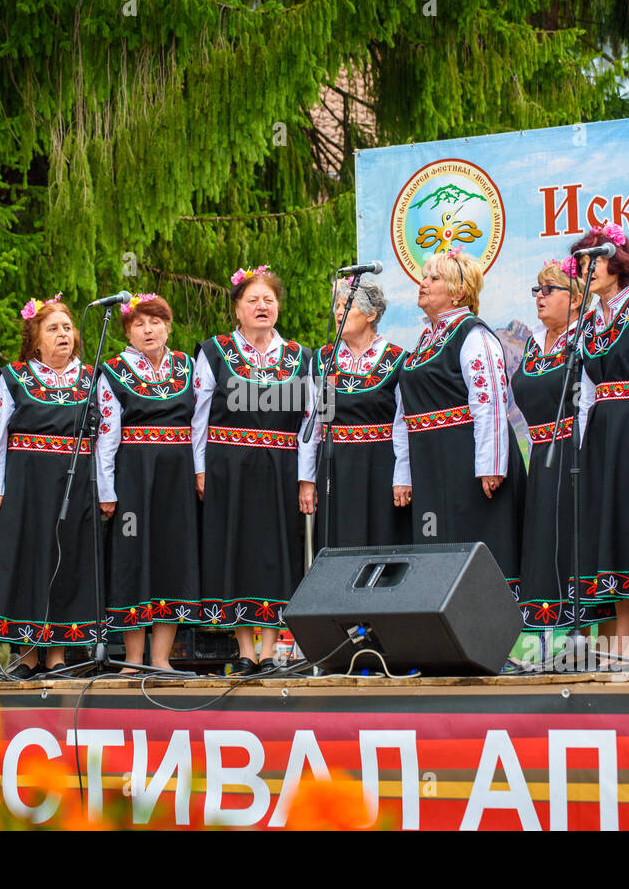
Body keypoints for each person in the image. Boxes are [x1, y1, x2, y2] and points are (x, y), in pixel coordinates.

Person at [193, 266, 317, 675]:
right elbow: (198, 417)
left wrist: (306, 476)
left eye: (269, 300)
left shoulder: (302, 357)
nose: (262, 307)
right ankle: (244, 649)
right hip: (227, 468)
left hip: (280, 468)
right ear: (237, 310)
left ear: (278, 307)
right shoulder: (213, 351)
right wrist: (200, 469)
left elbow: (313, 420)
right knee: (236, 550)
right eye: (253, 301)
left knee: (274, 553)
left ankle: (269, 651)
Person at [0, 296, 98, 678]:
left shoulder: (92, 379)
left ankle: (58, 656)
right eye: (52, 328)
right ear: (36, 340)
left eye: (67, 327)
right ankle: (27, 656)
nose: (62, 334)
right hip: (26, 487)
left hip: (74, 485)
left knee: (66, 561)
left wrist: (105, 491)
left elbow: (108, 435)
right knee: (29, 562)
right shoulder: (15, 377)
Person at [393, 247, 526, 601]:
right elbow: (404, 414)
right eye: (424, 276)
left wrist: (491, 464)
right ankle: (448, 650)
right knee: (438, 552)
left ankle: (490, 650)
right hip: (432, 467)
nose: (423, 283)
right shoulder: (423, 342)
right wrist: (403, 473)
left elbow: (490, 401)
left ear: (458, 291)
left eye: (434, 278)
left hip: (469, 465)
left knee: (477, 550)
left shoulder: (473, 334)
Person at [572, 224, 629, 668]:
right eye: (582, 262)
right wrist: (582, 440)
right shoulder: (590, 321)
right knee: (611, 531)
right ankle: (624, 640)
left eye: (595, 260)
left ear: (618, 264)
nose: (586, 269)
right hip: (604, 429)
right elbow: (588, 390)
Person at [96, 294, 200, 672]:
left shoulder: (188, 366)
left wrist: (200, 472)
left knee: (172, 557)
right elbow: (106, 435)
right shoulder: (111, 370)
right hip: (134, 481)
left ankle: (161, 658)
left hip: (177, 482)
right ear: (127, 331)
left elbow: (200, 426)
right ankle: (134, 659)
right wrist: (106, 490)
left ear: (168, 326)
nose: (148, 330)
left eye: (155, 321)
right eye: (139, 324)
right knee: (131, 557)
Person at [510, 260, 609, 633]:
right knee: (546, 543)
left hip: (577, 452)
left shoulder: (585, 337)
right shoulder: (534, 343)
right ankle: (560, 641)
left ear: (576, 299)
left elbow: (593, 398)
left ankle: (591, 643)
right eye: (537, 290)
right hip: (542, 455)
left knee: (576, 542)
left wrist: (584, 449)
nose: (540, 297)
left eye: (549, 289)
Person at [314, 276, 410, 548]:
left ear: (371, 314)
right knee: (338, 542)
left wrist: (403, 476)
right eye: (337, 306)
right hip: (336, 469)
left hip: (380, 468)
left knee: (382, 540)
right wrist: (308, 479)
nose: (338, 313)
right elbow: (317, 422)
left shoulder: (397, 360)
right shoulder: (324, 360)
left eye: (347, 306)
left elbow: (402, 424)